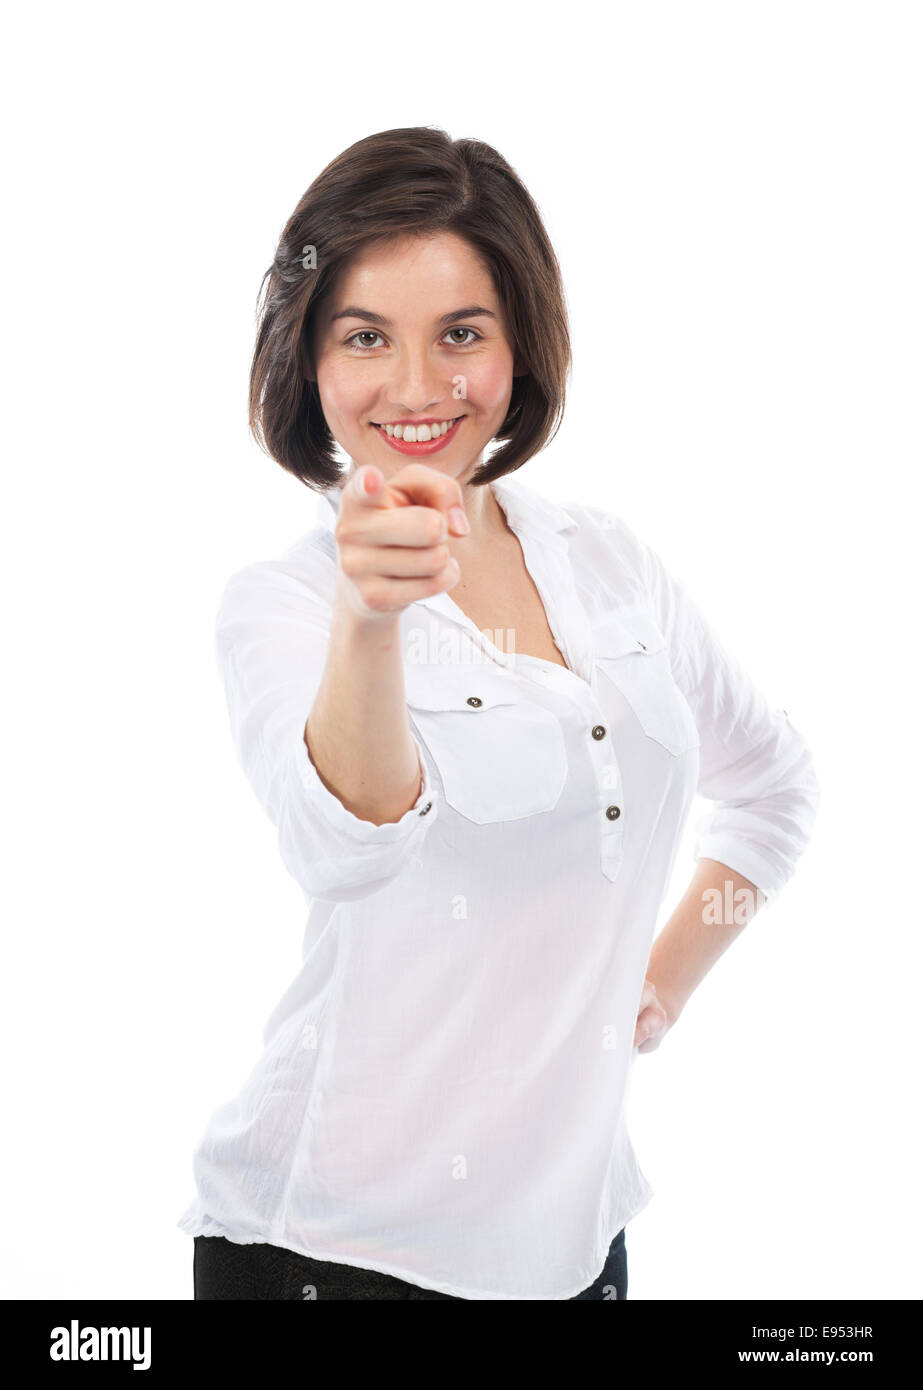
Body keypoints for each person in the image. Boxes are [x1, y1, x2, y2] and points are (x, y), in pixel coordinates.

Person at [177, 126, 820, 1301]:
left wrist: (659, 984)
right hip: (336, 1253)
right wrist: (370, 617)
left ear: (518, 345)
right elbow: (344, 847)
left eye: (460, 333)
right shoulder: (282, 603)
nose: (419, 388)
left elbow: (773, 791)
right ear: (308, 361)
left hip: (577, 1246)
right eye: (364, 336)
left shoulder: (610, 562)